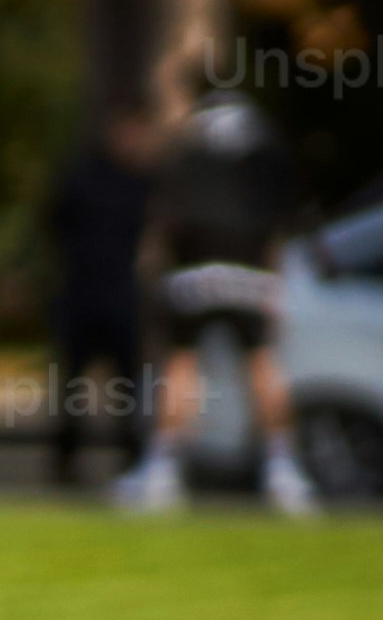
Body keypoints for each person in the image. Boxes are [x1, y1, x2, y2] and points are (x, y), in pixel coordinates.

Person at [125, 88, 317, 518]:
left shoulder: (188, 144)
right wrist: (275, 283)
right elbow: (285, 221)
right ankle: (284, 470)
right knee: (263, 364)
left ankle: (162, 470)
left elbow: (159, 215)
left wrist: (154, 272)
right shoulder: (266, 148)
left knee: (180, 364)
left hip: (193, 268)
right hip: (251, 270)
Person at [41, 100, 157, 489]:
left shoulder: (145, 184)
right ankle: (65, 459)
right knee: (73, 384)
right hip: (81, 293)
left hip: (123, 297)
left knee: (126, 387)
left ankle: (133, 462)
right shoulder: (82, 177)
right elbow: (52, 226)